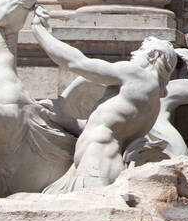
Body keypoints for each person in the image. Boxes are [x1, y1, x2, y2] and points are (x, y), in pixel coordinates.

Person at [31, 10, 177, 191]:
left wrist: (39, 31)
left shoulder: (138, 76)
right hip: (97, 163)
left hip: (96, 164)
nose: (133, 52)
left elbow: (76, 63)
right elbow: (101, 126)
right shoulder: (152, 100)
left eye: (140, 50)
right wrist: (60, 120)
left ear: (153, 56)